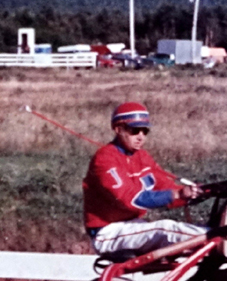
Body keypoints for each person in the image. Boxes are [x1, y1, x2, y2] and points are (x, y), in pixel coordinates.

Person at [83, 102, 207, 256]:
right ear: (118, 129)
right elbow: (131, 199)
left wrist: (198, 193)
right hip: (108, 232)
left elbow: (166, 186)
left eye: (145, 131)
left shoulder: (142, 156)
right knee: (166, 229)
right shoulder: (105, 159)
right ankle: (217, 236)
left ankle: (216, 236)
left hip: (133, 226)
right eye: (135, 130)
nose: (141, 136)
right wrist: (178, 194)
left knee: (183, 244)